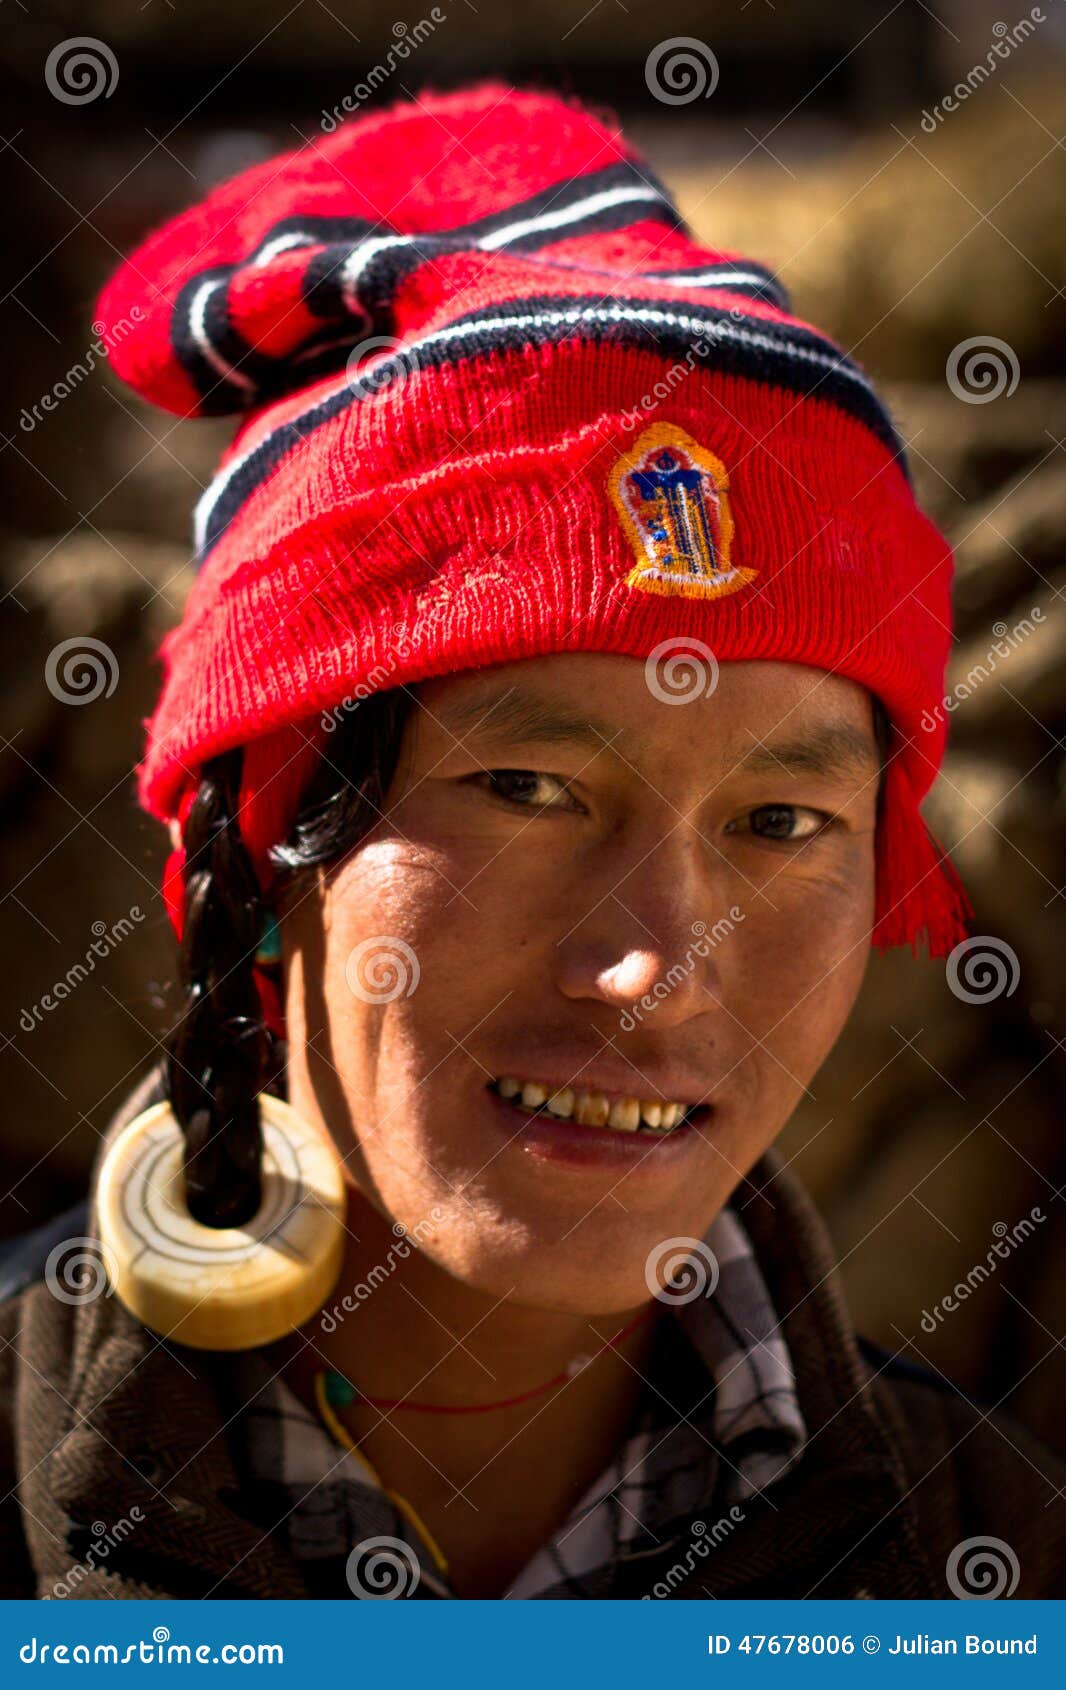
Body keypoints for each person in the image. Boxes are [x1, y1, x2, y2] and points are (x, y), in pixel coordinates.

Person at [1, 79, 1063, 1602]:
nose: (655, 967)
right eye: (527, 789)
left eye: (782, 821)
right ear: (261, 844)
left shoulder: (998, 1558)